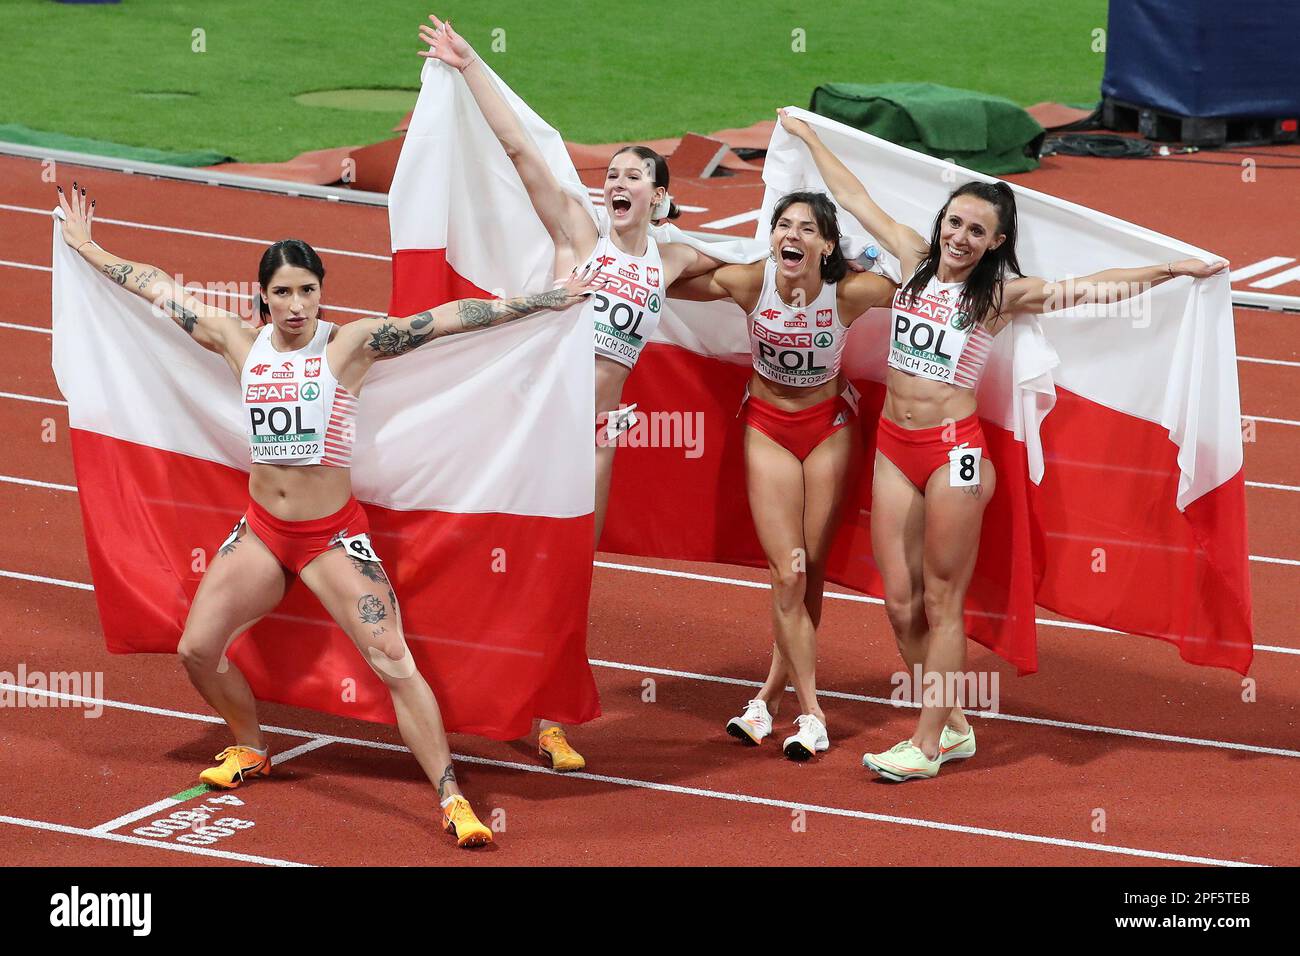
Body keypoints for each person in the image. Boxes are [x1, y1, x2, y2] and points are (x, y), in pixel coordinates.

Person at [57, 182, 597, 844]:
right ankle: (251, 745)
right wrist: (85, 246)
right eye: (282, 292)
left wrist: (552, 299)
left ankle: (452, 797)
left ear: (321, 292)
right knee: (197, 649)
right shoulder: (237, 342)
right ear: (263, 297)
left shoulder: (351, 346)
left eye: (306, 290)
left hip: (330, 539)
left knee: (395, 662)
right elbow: (157, 290)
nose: (295, 305)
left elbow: (452, 318)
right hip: (262, 531)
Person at [777, 110, 1228, 780]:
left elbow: (1090, 290)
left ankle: (927, 745)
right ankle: (953, 723)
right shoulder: (911, 260)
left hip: (955, 452)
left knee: (941, 599)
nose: (960, 237)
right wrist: (812, 138)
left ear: (995, 242)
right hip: (896, 447)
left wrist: (1172, 268)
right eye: (954, 223)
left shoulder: (999, 297)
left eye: (976, 230)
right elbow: (854, 199)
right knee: (899, 603)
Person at [418, 14, 725, 772]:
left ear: (659, 197)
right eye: (611, 173)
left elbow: (756, 278)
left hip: (595, 435)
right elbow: (521, 149)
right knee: (493, 559)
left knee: (568, 577)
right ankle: (446, 680)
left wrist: (829, 259)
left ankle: (548, 715)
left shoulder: (673, 260)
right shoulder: (575, 239)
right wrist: (467, 64)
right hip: (530, 427)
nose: (615, 183)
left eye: (632, 176)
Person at [670, 191, 896, 760]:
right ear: (771, 238)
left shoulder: (850, 292)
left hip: (829, 430)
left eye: (805, 228)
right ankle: (813, 714)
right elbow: (666, 282)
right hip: (769, 429)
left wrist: (874, 254)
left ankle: (768, 699)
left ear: (825, 245)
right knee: (787, 572)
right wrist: (688, 247)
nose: (790, 235)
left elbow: (920, 284)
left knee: (808, 570)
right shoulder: (753, 283)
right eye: (781, 226)